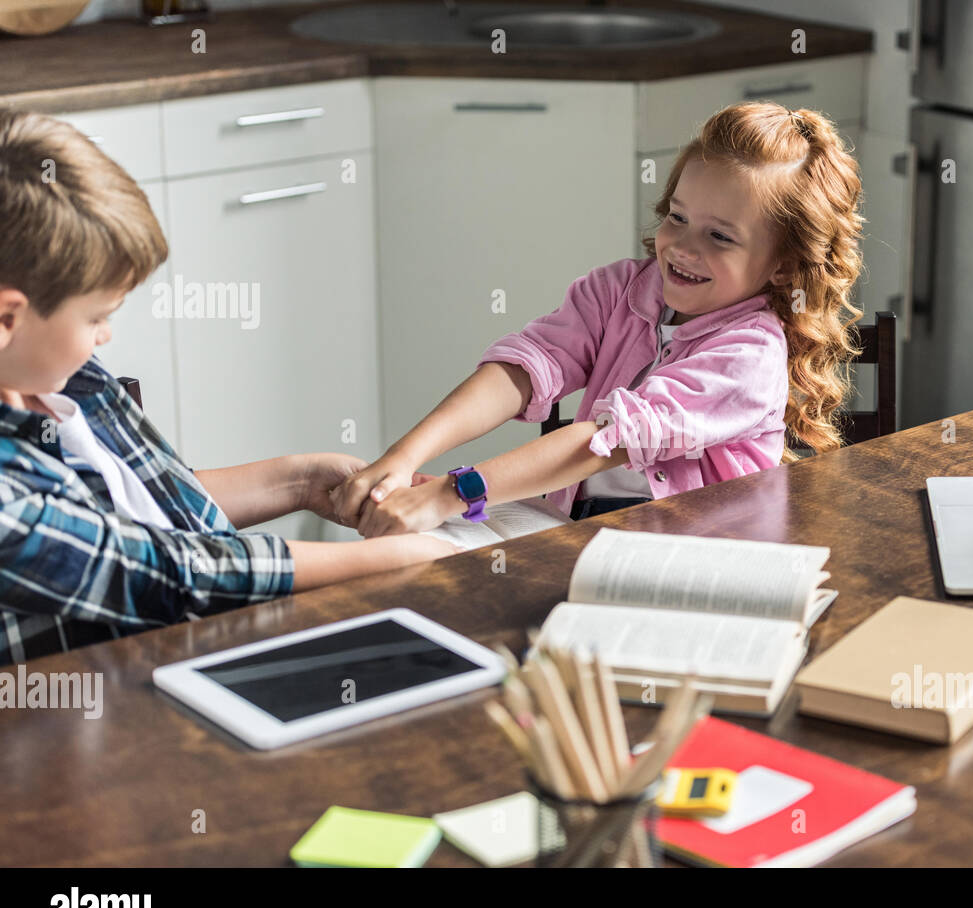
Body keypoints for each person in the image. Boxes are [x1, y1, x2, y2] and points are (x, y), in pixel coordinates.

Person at [0, 109, 459, 665]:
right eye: (98, 316)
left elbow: (146, 506)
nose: (107, 335)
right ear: (8, 318)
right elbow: (164, 573)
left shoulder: (64, 376)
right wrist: (398, 559)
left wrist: (300, 482)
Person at [333, 102, 864, 535]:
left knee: (422, 552)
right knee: (379, 520)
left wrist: (454, 493)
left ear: (783, 265)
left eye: (720, 236)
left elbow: (607, 440)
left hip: (694, 560)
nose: (681, 246)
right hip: (579, 527)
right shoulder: (617, 291)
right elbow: (524, 369)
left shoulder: (750, 355)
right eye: (677, 217)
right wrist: (405, 455)